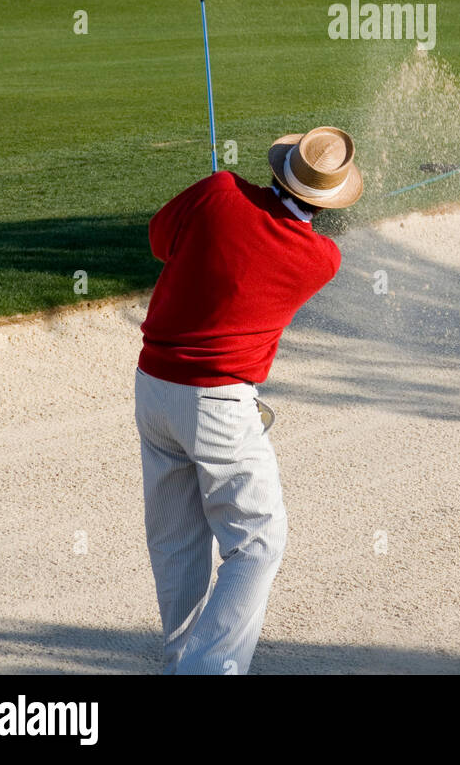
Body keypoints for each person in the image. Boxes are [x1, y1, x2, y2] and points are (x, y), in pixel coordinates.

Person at [134, 126, 362, 675]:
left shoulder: (218, 190)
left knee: (178, 540)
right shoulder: (321, 258)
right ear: (328, 199)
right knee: (259, 542)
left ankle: (180, 662)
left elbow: (160, 243)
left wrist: (215, 200)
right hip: (218, 405)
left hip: (153, 387)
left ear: (282, 166)